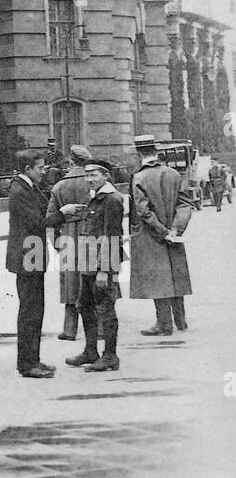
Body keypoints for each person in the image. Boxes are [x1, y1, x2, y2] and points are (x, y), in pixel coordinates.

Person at [129, 134, 194, 336]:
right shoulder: (174, 174)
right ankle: (181, 321)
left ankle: (163, 324)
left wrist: (162, 232)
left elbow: (143, 211)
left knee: (158, 280)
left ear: (138, 153)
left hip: (152, 236)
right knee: (176, 275)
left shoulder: (139, 177)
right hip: (174, 234)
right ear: (156, 150)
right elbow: (185, 204)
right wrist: (175, 230)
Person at [65, 158, 124, 372]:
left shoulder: (112, 199)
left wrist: (104, 271)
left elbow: (112, 236)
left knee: (105, 308)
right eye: (87, 175)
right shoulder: (95, 198)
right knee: (85, 306)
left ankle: (110, 356)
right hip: (88, 264)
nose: (89, 179)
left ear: (106, 176)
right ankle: (91, 351)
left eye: (94, 175)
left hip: (102, 267)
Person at [5, 150, 54, 378]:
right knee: (29, 312)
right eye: (40, 168)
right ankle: (26, 364)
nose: (44, 171)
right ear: (28, 169)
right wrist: (62, 214)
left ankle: (34, 359)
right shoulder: (20, 191)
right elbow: (37, 222)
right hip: (27, 257)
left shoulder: (28, 187)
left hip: (32, 256)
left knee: (36, 310)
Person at [45, 143, 92, 341]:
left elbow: (51, 219)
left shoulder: (59, 186)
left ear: (71, 161)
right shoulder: (95, 182)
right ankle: (97, 329)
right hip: (92, 233)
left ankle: (70, 330)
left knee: (71, 282)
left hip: (68, 235)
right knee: (95, 277)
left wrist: (56, 243)